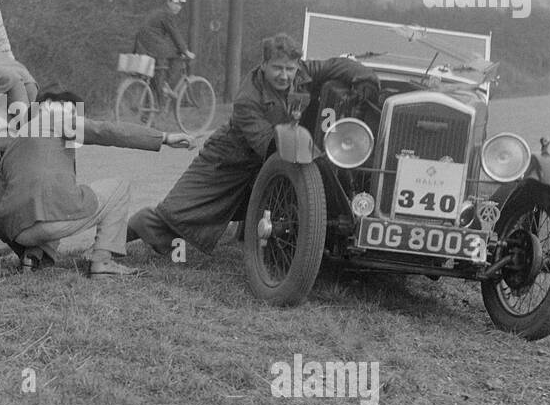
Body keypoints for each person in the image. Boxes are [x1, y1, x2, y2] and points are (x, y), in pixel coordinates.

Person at [128, 32, 378, 257]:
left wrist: (364, 77)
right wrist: (312, 157)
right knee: (175, 214)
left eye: (289, 69)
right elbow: (266, 143)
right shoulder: (248, 98)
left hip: (267, 160)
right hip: (228, 160)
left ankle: (258, 239)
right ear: (264, 64)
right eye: (277, 68)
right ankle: (115, 237)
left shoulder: (302, 71)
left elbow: (337, 64)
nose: (284, 75)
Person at [0, 88, 195, 279]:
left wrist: (15, 241)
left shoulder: (15, 141)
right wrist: (164, 137)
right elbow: (107, 131)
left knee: (48, 198)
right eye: (70, 109)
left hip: (18, 232)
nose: (75, 116)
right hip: (49, 222)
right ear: (49, 104)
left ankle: (32, 258)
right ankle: (102, 262)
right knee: (119, 187)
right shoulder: (55, 118)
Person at [134, 0, 195, 101]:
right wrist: (185, 51)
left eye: (180, 5)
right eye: (176, 3)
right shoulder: (167, 14)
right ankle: (166, 85)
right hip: (152, 43)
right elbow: (175, 34)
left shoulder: (158, 12)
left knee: (156, 74)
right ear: (168, 2)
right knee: (177, 57)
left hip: (142, 44)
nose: (178, 7)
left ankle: (148, 111)